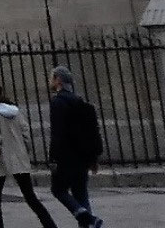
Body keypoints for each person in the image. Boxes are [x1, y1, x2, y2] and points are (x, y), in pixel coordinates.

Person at [0, 76, 60, 228]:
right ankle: (50, 225)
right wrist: (25, 151)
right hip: (19, 157)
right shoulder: (15, 111)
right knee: (30, 197)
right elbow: (26, 134)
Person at [49, 66, 103, 228]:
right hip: (83, 156)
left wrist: (53, 158)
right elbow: (92, 131)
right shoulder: (79, 101)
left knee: (58, 190)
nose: (50, 81)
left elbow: (57, 133)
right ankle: (87, 222)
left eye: (52, 78)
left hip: (66, 157)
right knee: (81, 193)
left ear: (58, 80)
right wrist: (93, 158)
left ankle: (87, 217)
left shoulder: (58, 102)